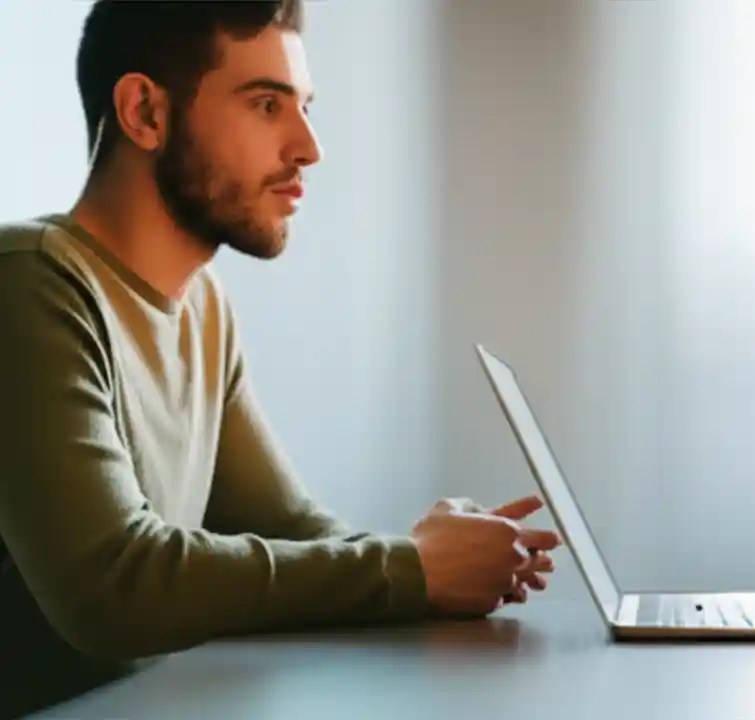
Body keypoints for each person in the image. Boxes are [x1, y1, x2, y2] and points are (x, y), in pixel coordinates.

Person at [0, 1, 560, 716]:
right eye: (267, 104)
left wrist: (441, 554)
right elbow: (114, 586)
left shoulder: (202, 308)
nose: (308, 147)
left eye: (305, 106)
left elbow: (286, 528)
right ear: (144, 112)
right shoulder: (27, 285)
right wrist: (413, 568)